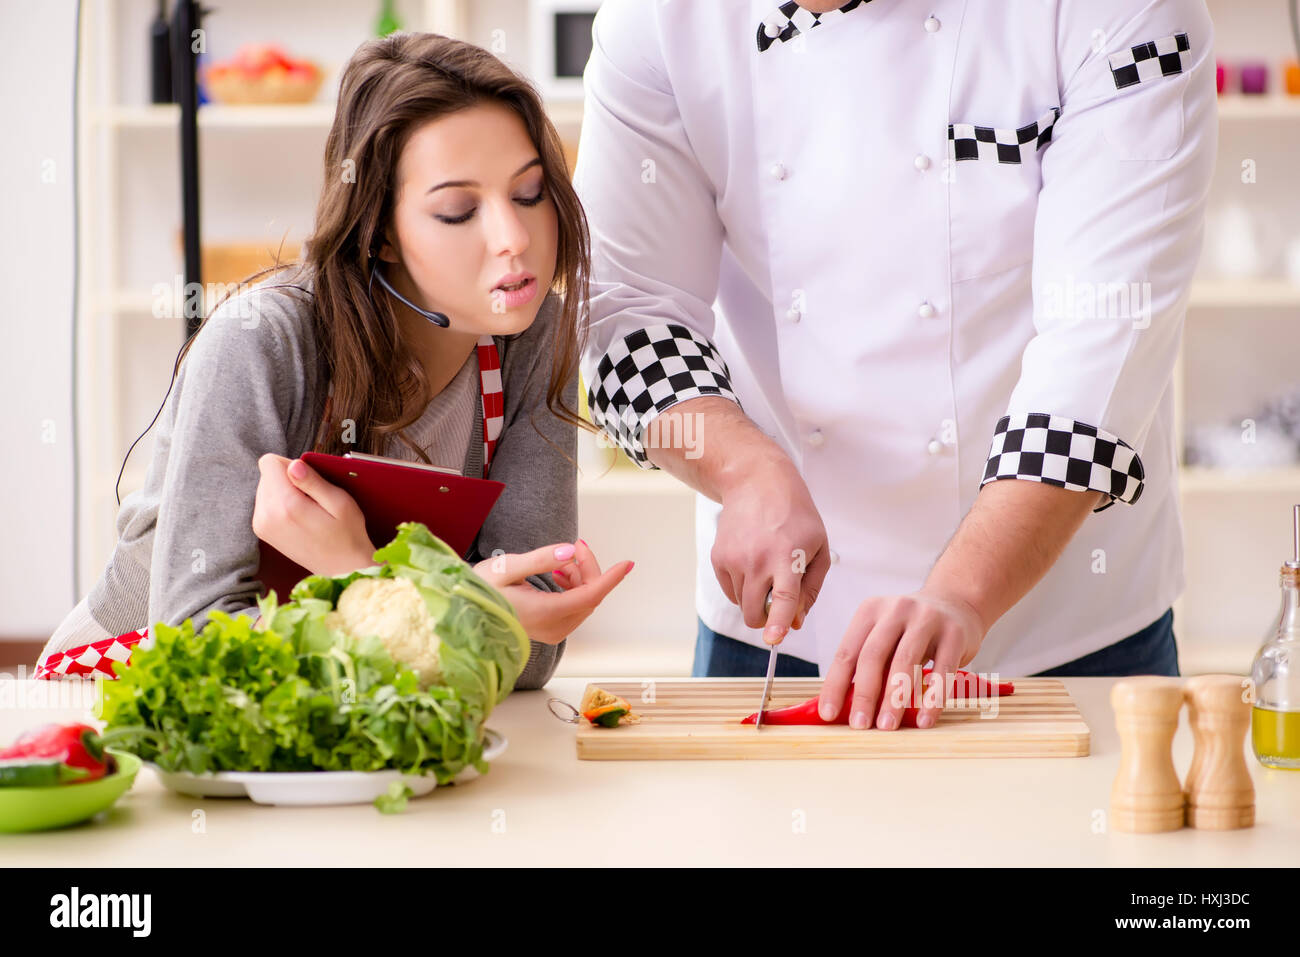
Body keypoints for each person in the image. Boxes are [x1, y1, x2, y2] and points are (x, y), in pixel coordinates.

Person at [575, 0, 1215, 726]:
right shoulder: (657, 19)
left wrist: (964, 593)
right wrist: (743, 469)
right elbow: (629, 313)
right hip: (780, 639)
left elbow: (1104, 337)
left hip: (1068, 633)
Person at [40, 31, 632, 686]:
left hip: (360, 704)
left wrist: (368, 574)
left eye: (528, 193)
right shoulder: (260, 341)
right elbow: (197, 643)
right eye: (458, 211)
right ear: (379, 233)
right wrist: (390, 585)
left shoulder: (532, 335)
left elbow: (531, 651)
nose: (514, 239)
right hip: (130, 700)